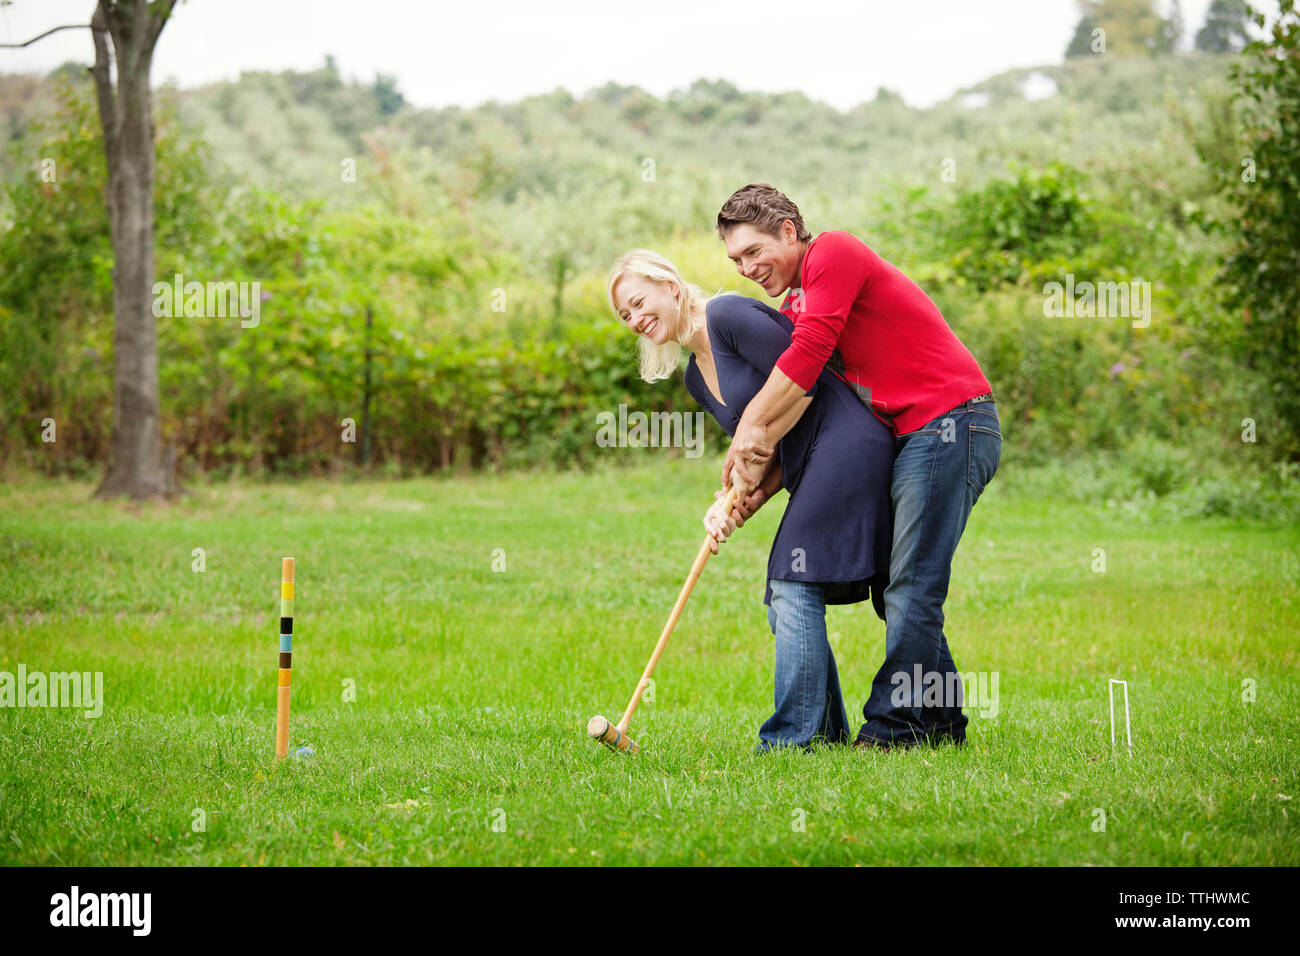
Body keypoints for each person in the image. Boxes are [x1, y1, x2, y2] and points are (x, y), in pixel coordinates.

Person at [710, 184, 1002, 750]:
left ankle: (894, 728)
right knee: (895, 587)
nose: (746, 269)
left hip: (951, 423)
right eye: (735, 261)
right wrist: (750, 489)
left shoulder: (835, 253)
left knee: (912, 587)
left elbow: (810, 352)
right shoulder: (798, 301)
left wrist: (750, 427)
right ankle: (940, 722)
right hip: (912, 436)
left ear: (789, 230)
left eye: (753, 252)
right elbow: (806, 400)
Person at [606, 249, 895, 752]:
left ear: (670, 286)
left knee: (790, 579)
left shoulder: (729, 316)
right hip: (809, 461)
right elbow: (768, 448)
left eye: (636, 302)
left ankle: (793, 739)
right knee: (785, 594)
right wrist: (738, 502)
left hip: (849, 440)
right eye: (624, 316)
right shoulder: (697, 376)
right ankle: (823, 734)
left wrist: (749, 470)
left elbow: (807, 383)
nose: (633, 319)